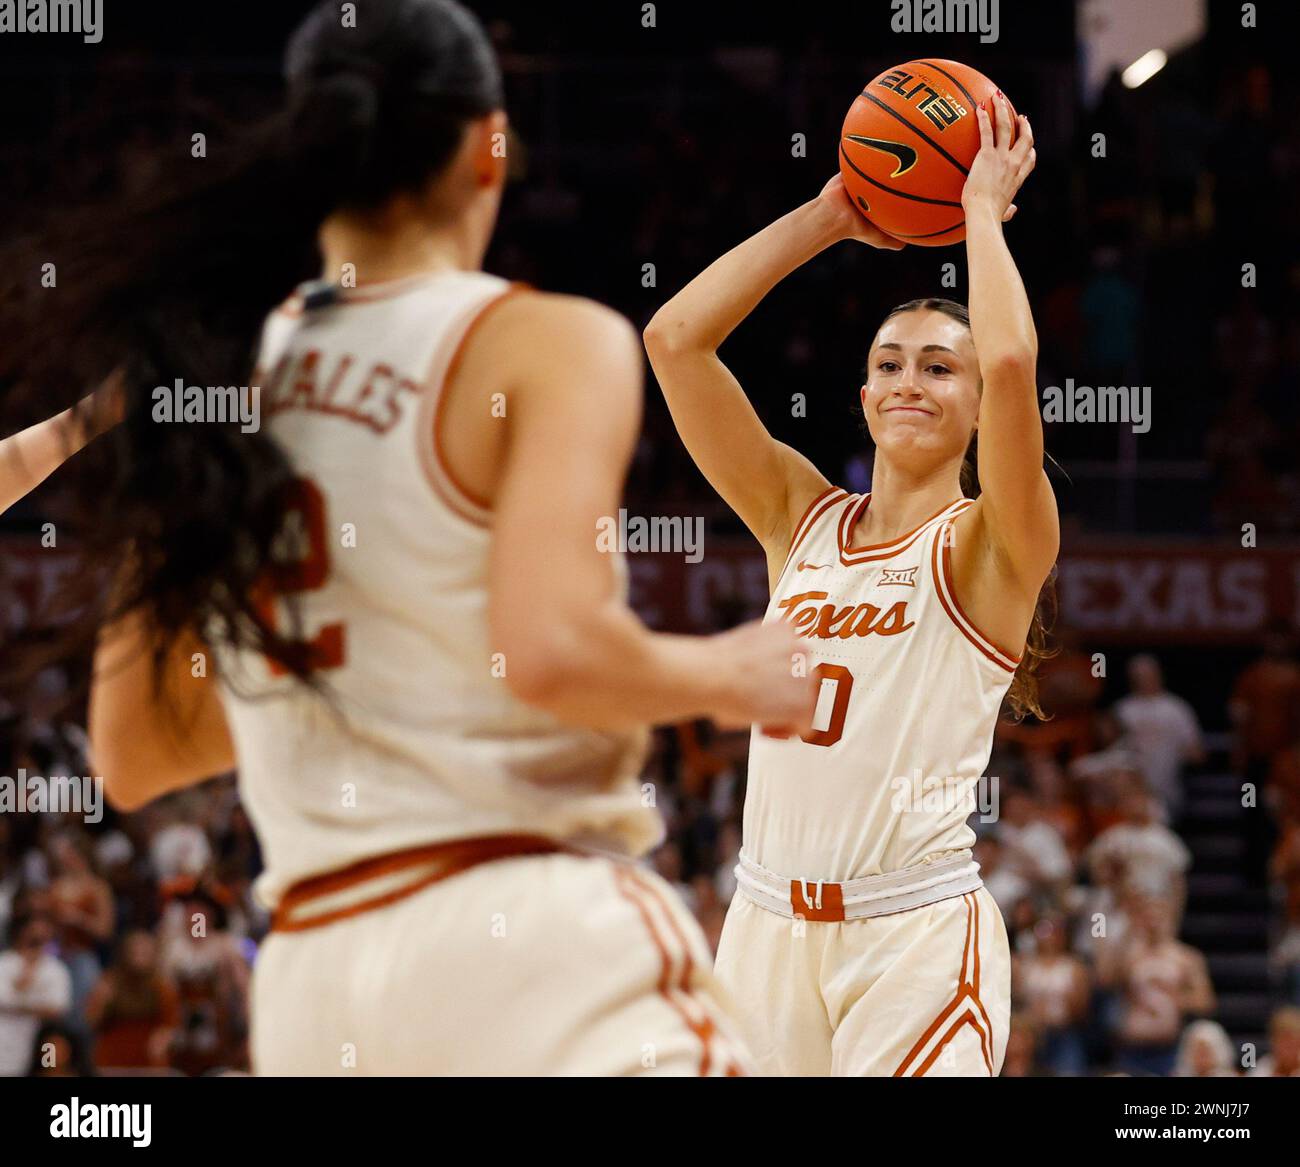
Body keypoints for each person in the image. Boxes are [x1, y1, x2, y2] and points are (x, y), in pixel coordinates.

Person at [12, 0, 816, 1075]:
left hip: (316, 982)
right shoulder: (541, 337)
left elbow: (136, 752)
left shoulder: (202, 376)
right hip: (533, 942)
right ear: (489, 148)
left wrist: (373, 698)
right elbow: (551, 653)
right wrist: (729, 670)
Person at [646, 94, 1053, 1075]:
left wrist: (980, 218)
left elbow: (1007, 358)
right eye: (890, 364)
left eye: (936, 368)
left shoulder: (991, 543)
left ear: (971, 408)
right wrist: (829, 216)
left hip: (908, 933)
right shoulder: (801, 518)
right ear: (863, 399)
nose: (912, 380)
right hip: (762, 925)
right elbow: (673, 340)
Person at [1112, 654, 1204, 820]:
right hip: (1130, 794)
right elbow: (1112, 753)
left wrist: (1178, 752)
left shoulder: (1176, 708)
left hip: (1168, 790)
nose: (1143, 681)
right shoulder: (1122, 709)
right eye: (1138, 677)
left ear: (1158, 675)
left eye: (1148, 675)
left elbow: (1197, 753)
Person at [0, 915, 72, 1077]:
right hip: (4, 1033)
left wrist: (17, 1002)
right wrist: (25, 980)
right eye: (33, 934)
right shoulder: (4, 962)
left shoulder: (56, 969)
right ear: (21, 933)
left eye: (43, 934)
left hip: (41, 1037)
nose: (38, 938)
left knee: (54, 1045)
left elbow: (57, 1008)